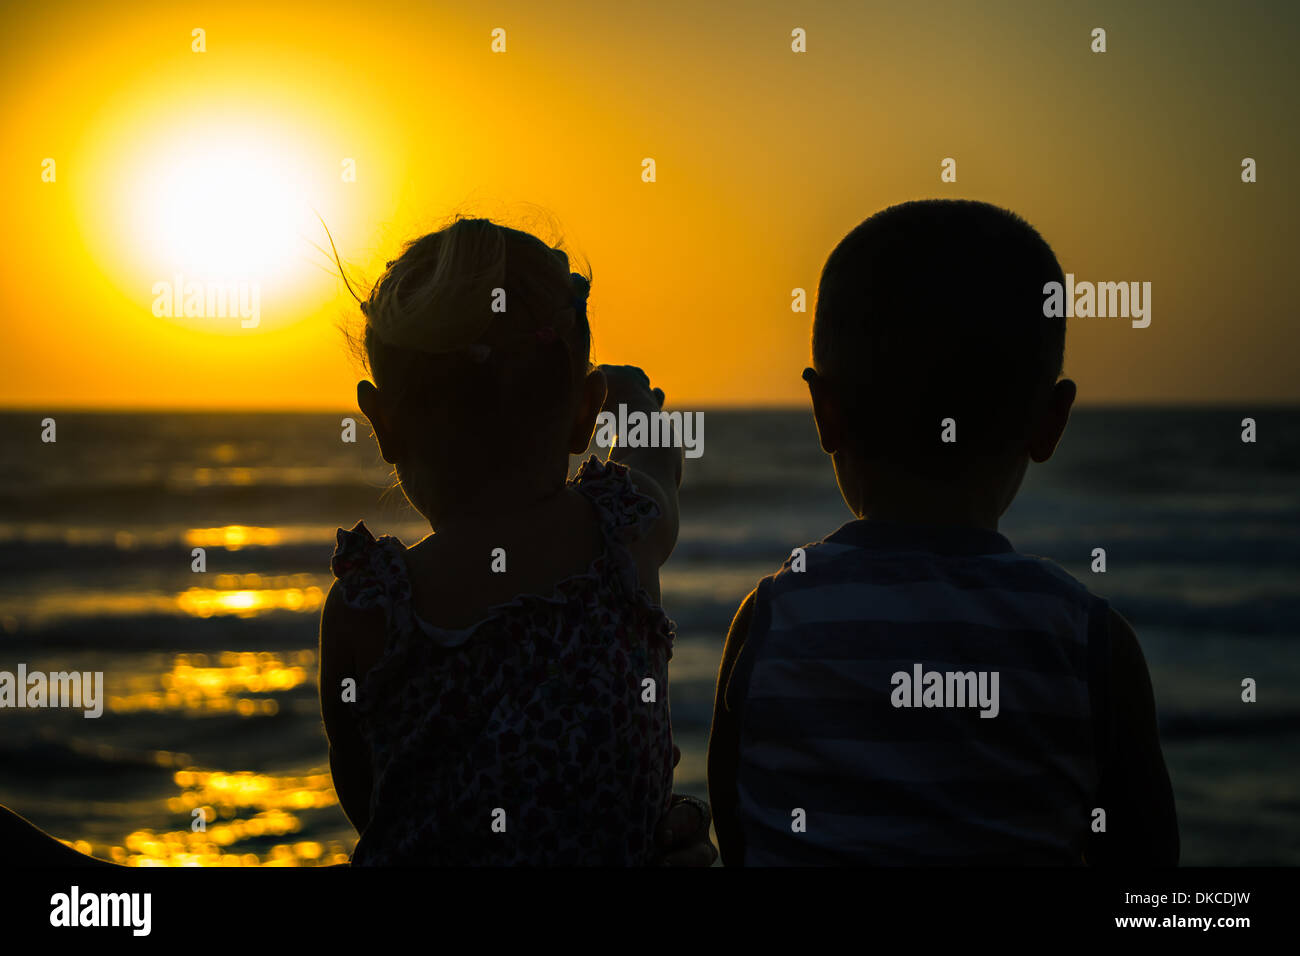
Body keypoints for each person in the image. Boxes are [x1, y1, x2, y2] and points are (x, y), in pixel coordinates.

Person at [707, 199, 1178, 866]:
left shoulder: (772, 620)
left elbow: (741, 840)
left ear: (825, 412)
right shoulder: (1091, 646)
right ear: (1051, 420)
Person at [321, 216, 712, 864]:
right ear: (587, 411)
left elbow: (371, 801)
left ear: (383, 424)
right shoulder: (622, 531)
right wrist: (635, 401)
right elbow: (656, 458)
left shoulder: (368, 609)